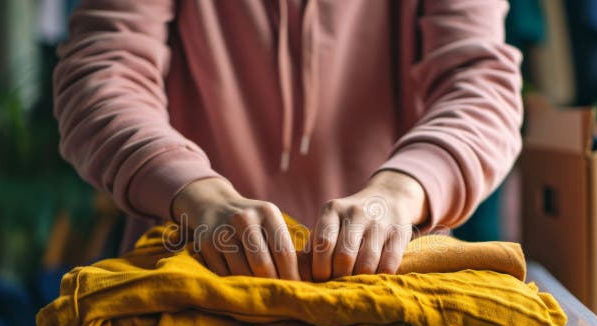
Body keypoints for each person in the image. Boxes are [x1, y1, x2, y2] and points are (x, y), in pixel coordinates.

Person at [53, 0, 522, 282]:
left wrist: (400, 193)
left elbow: (481, 83)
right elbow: (103, 73)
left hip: (396, 290)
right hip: (189, 287)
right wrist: (197, 194)